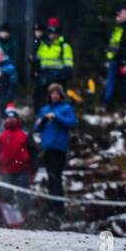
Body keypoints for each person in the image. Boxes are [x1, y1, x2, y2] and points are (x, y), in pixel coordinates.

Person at [35, 83, 77, 212]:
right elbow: (37, 128)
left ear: (61, 95)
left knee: (56, 177)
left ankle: (58, 206)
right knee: (50, 176)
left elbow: (72, 123)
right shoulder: (44, 109)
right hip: (47, 147)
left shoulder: (66, 108)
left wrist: (57, 116)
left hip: (59, 147)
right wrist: (43, 121)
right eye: (52, 93)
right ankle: (52, 205)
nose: (54, 95)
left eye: (56, 93)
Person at [0, 105, 35, 188]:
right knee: (7, 194)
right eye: (9, 118)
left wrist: (33, 169)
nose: (11, 120)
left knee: (23, 194)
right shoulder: (1, 134)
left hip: (22, 169)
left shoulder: (25, 133)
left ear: (17, 119)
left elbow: (32, 151)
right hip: (6, 169)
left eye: (13, 118)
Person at [35, 17, 74, 96]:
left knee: (55, 97)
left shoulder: (64, 45)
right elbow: (37, 60)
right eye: (50, 33)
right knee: (40, 96)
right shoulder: (42, 45)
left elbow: (68, 65)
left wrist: (61, 77)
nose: (52, 35)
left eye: (55, 33)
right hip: (44, 76)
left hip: (58, 77)